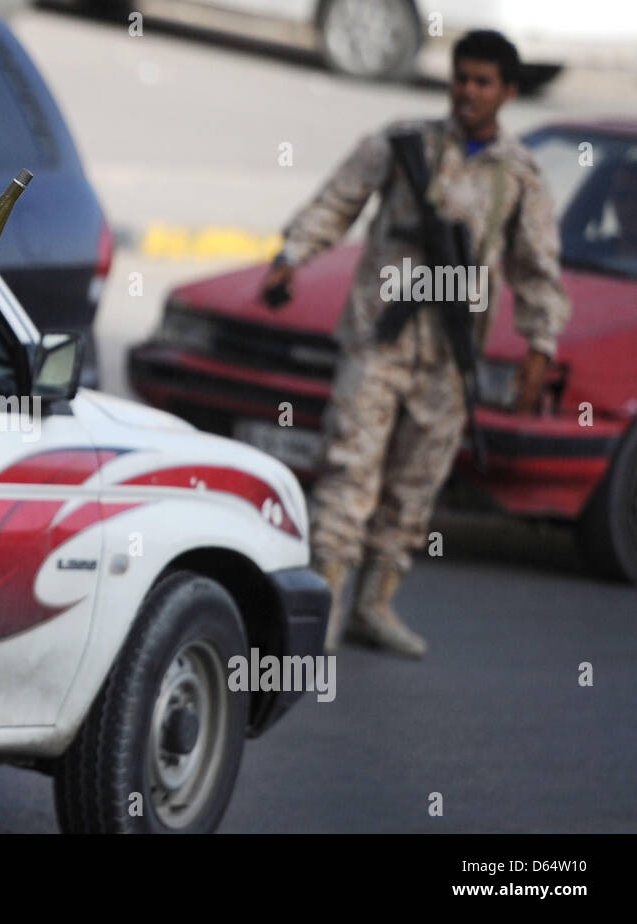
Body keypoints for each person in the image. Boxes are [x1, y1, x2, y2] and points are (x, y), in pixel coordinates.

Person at [259, 31, 571, 658]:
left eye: (484, 83)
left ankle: (374, 604)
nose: (468, 92)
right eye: (462, 78)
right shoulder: (404, 143)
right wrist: (292, 256)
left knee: (414, 487)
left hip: (449, 359)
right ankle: (322, 604)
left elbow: (537, 269)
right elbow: (338, 200)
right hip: (381, 340)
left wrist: (540, 345)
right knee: (349, 472)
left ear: (508, 92)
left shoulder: (518, 177)